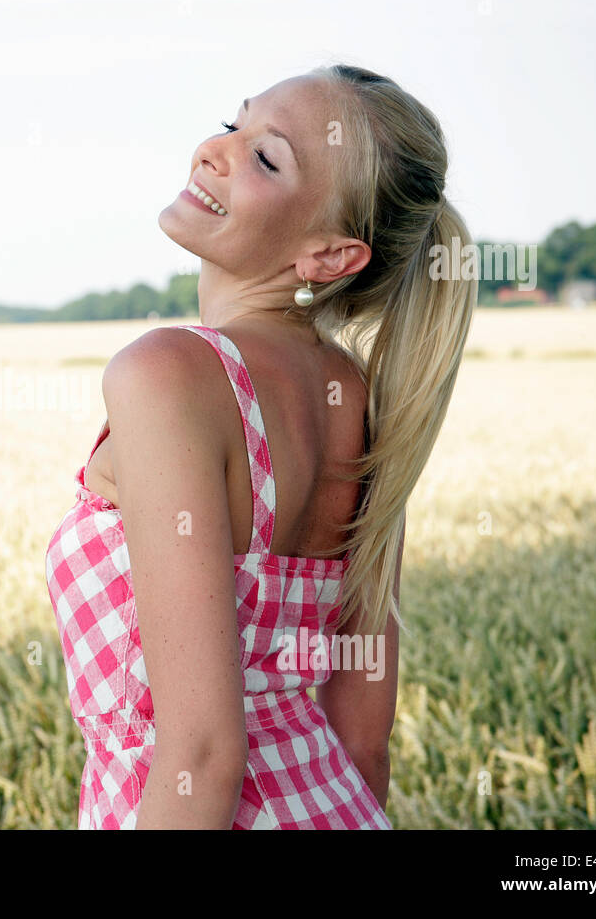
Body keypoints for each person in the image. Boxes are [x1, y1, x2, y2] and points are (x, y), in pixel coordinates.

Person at [45, 64, 478, 829]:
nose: (217, 150)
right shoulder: (365, 409)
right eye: (233, 123)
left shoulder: (168, 374)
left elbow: (204, 757)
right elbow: (364, 741)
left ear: (331, 257)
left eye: (266, 157)